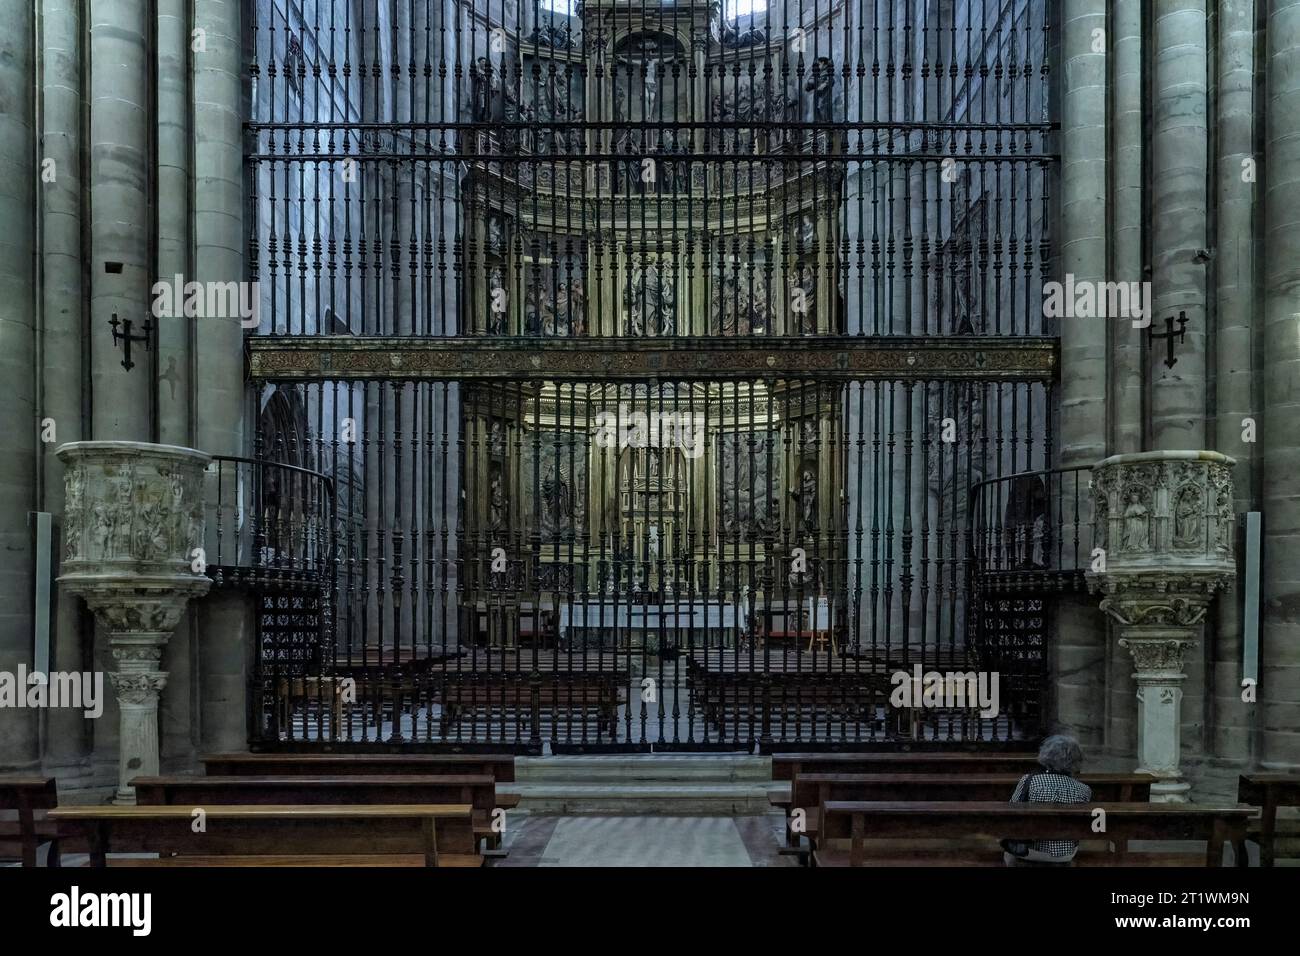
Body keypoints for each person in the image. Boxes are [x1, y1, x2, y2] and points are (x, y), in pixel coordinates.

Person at [1002, 734, 1092, 865]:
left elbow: (1012, 809)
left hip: (1030, 850)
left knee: (1008, 856)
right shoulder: (1084, 789)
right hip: (1066, 854)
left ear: (1046, 755)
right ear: (1076, 760)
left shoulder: (1029, 780)